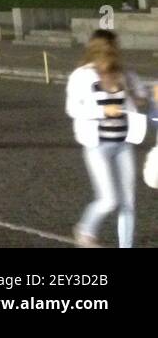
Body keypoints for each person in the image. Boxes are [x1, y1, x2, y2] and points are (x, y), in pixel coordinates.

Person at [66, 29, 145, 248]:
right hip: (97, 145)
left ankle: (126, 245)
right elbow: (71, 109)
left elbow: (141, 96)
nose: (116, 51)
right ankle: (85, 229)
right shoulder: (82, 76)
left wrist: (141, 98)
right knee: (109, 199)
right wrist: (102, 112)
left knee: (128, 201)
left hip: (123, 143)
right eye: (113, 46)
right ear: (101, 48)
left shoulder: (125, 74)